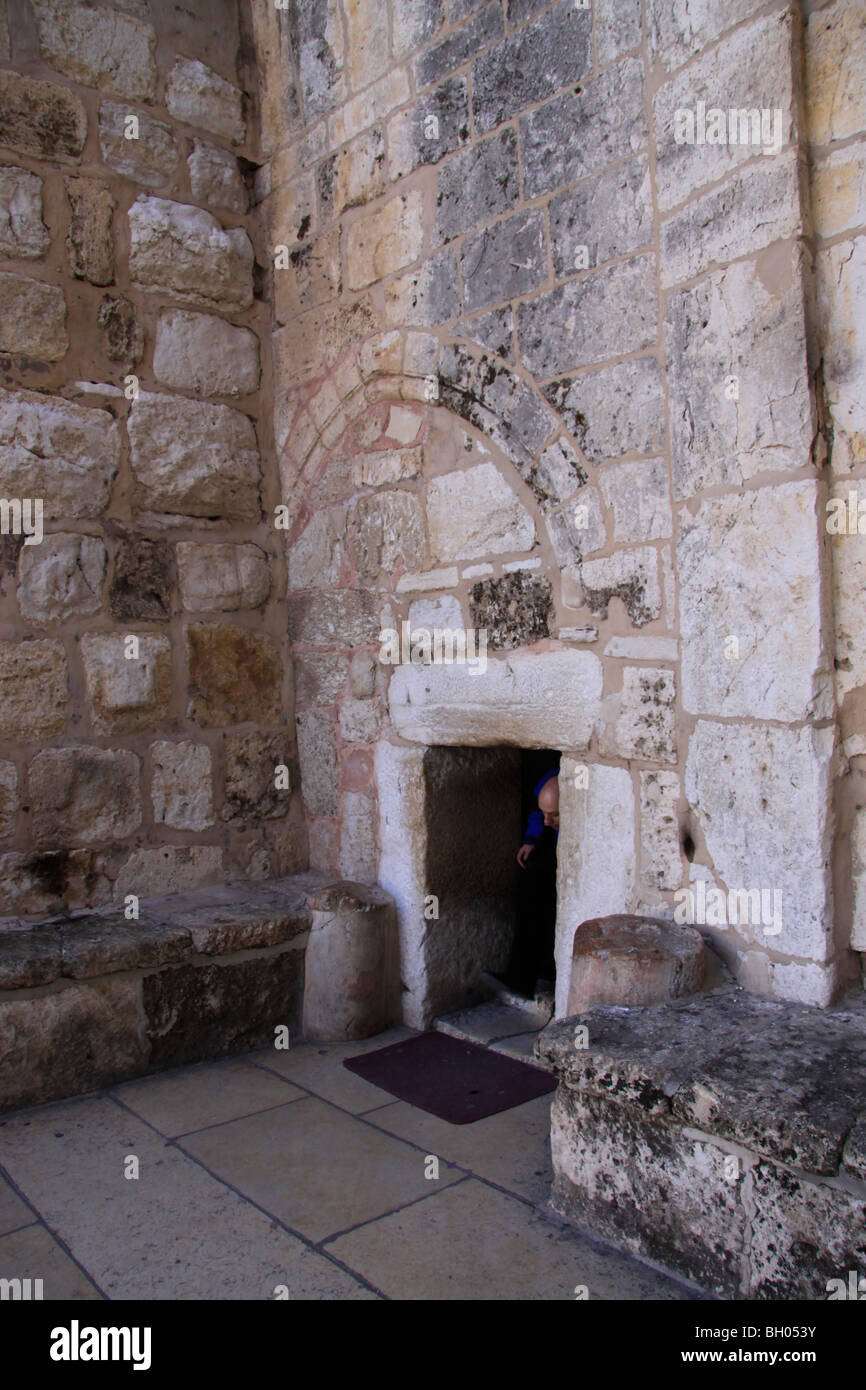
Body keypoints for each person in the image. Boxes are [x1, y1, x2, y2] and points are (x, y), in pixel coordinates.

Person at [495, 770, 559, 999]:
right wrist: (531, 838)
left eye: (554, 815)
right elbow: (539, 815)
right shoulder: (544, 785)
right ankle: (523, 976)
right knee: (532, 899)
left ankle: (548, 976)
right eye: (545, 813)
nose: (546, 821)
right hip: (548, 847)